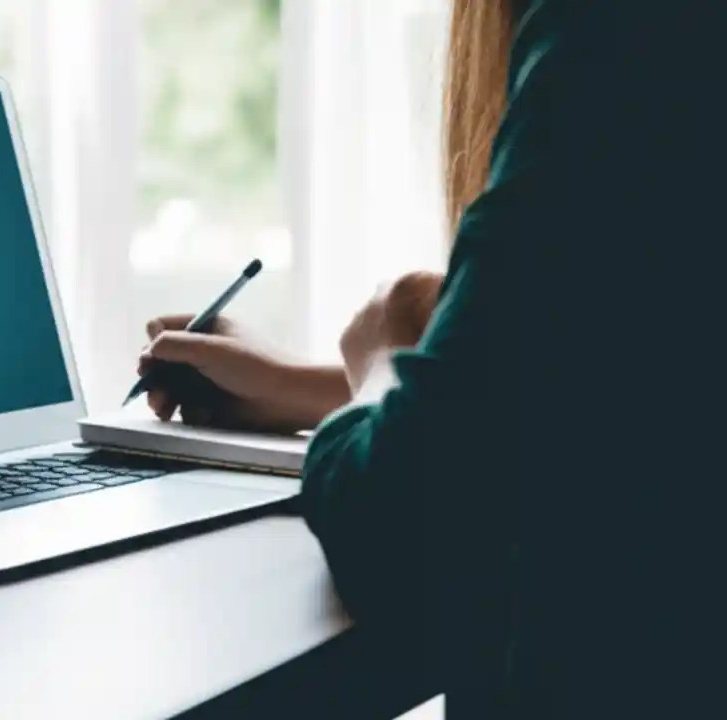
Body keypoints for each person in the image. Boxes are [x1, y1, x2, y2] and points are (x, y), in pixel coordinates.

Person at [139, 1, 721, 716]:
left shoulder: (610, 30)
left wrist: (390, 355)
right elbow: (624, 369)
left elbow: (399, 527)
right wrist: (317, 390)